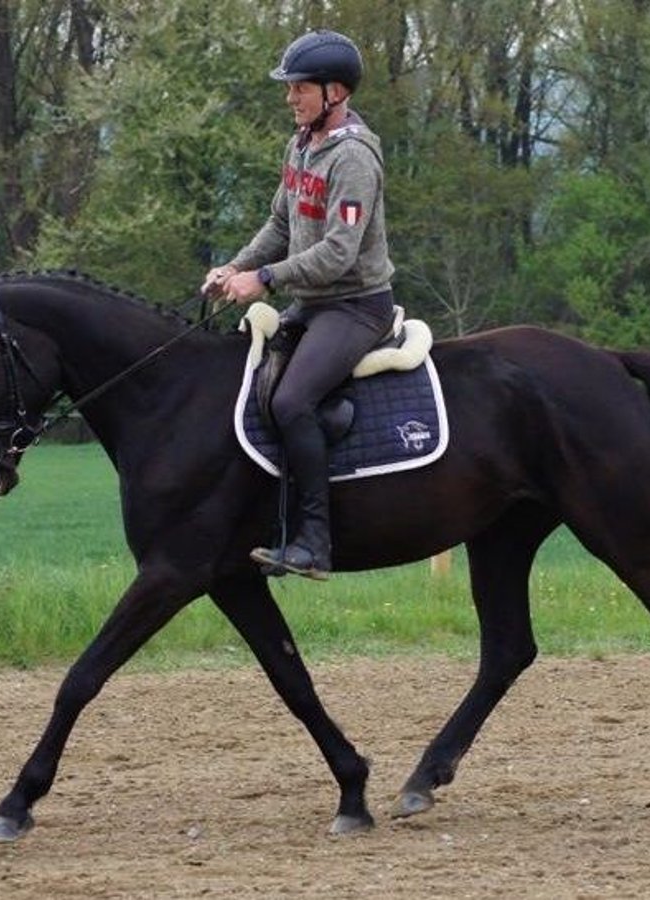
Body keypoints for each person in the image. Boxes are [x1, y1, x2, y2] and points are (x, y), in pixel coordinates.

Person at [201, 29, 396, 581]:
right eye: (289, 88)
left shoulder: (353, 158)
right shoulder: (303, 144)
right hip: (313, 304)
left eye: (300, 88)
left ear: (335, 92)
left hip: (356, 307)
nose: (290, 97)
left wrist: (265, 279)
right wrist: (234, 268)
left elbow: (338, 253)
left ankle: (314, 542)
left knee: (291, 403)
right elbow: (280, 225)